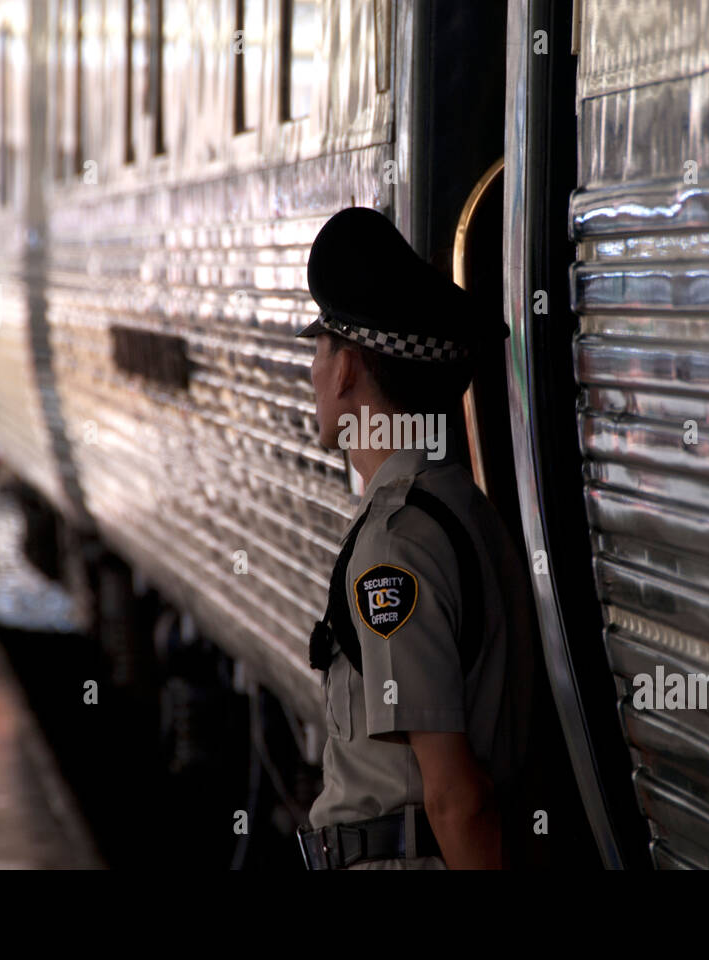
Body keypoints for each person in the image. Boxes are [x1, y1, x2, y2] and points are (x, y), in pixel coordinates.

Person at [295, 207, 536, 869]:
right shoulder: (462, 507)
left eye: (318, 349)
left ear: (347, 372)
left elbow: (457, 800)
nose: (311, 373)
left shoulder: (395, 547)